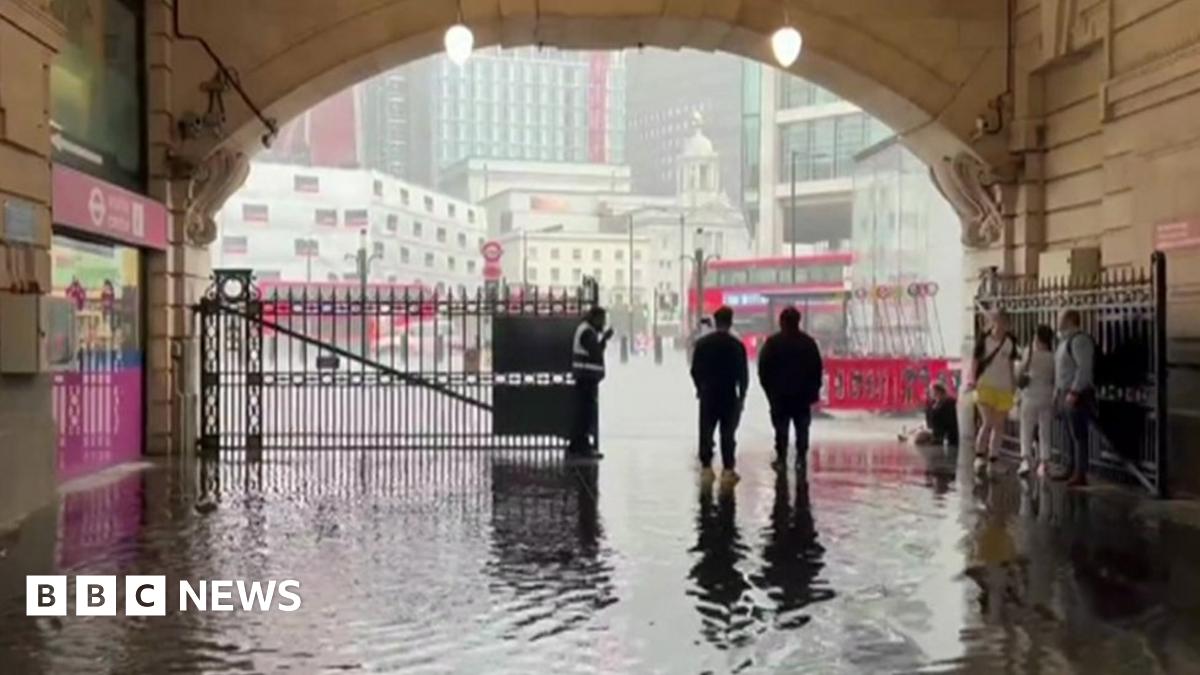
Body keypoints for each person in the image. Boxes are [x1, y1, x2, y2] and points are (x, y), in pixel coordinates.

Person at [757, 306, 823, 473]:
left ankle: (781, 458)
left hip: (780, 396)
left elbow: (763, 370)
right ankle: (801, 458)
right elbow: (817, 369)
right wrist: (813, 392)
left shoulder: (772, 343)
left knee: (781, 429)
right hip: (802, 397)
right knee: (802, 429)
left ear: (781, 322)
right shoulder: (808, 343)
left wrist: (770, 392)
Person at [690, 306, 749, 483]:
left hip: (708, 394)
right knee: (728, 433)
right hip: (729, 394)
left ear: (715, 322)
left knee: (706, 431)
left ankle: (706, 468)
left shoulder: (702, 344)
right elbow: (743, 375)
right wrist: (742, 396)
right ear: (730, 322)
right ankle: (728, 469)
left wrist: (700, 388)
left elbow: (694, 370)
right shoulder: (737, 345)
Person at [971, 309, 1019, 474]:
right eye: (999, 321)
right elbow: (975, 361)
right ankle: (979, 456)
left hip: (1003, 387)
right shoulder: (984, 340)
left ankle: (993, 458)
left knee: (999, 426)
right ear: (993, 322)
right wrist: (972, 380)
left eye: (1005, 322)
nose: (1002, 325)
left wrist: (1013, 385)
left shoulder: (1010, 341)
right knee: (987, 422)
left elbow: (1011, 364)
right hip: (985, 385)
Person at [1052, 309, 1095, 486]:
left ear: (1069, 320)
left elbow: (1083, 368)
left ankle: (1080, 473)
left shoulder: (1079, 340)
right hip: (1064, 391)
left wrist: (1075, 391)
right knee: (1069, 433)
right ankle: (1070, 467)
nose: (1057, 321)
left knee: (1078, 434)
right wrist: (1057, 393)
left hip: (1076, 393)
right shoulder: (1064, 341)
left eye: (1060, 318)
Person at [568, 306, 613, 458]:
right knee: (586, 414)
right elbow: (595, 352)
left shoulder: (586, 330)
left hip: (586, 377)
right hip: (585, 377)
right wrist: (605, 339)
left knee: (584, 413)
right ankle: (581, 446)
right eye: (602, 320)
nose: (603, 323)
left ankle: (577, 445)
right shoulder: (587, 332)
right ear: (594, 318)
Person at [1017, 324, 1056, 478]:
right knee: (1045, 429)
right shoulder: (1053, 357)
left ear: (1037, 338)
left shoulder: (1029, 353)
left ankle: (1026, 460)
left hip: (1030, 395)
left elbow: (1020, 371)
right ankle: (1045, 463)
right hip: (1047, 395)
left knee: (1026, 428)